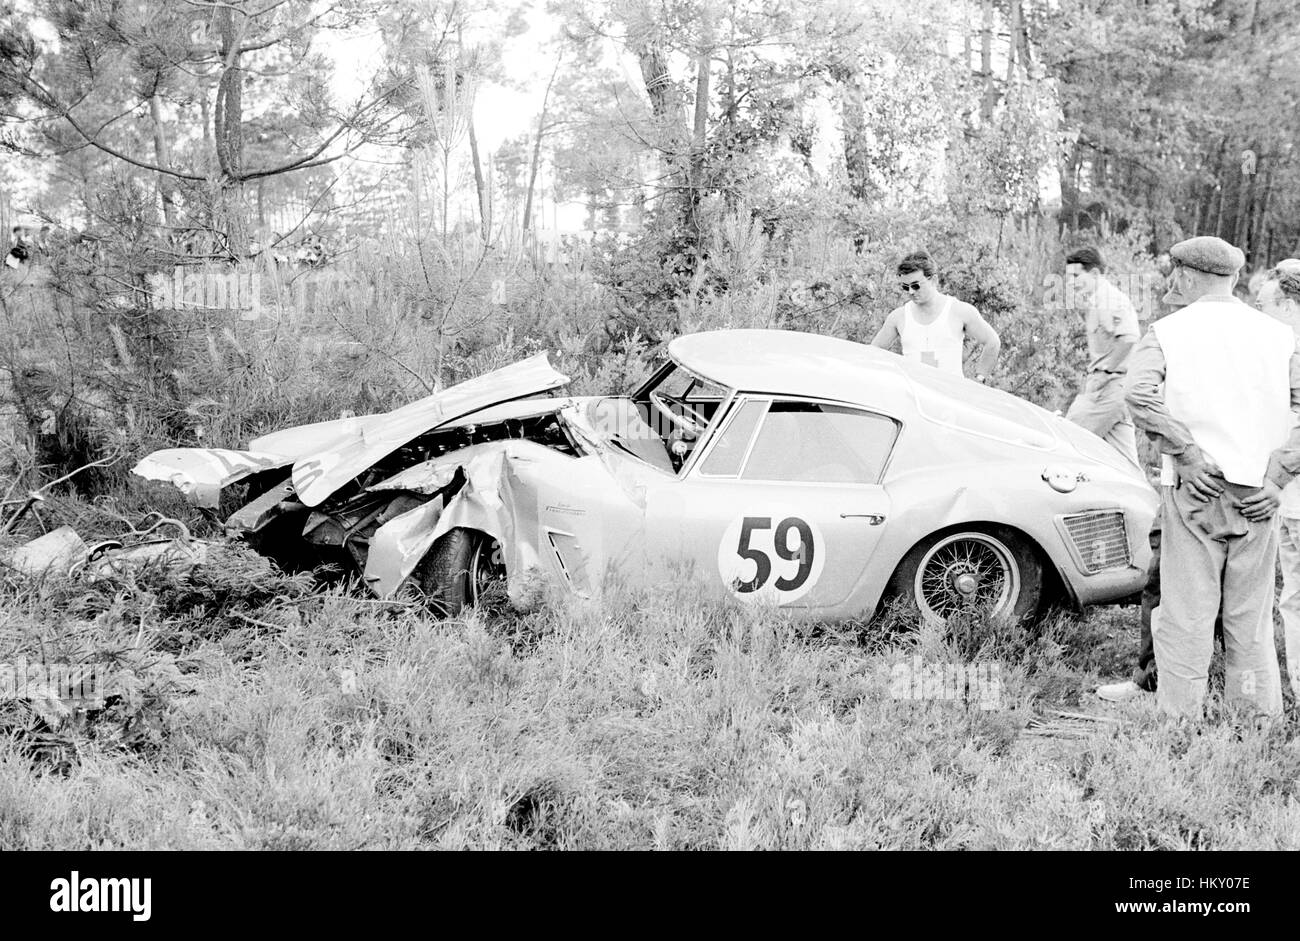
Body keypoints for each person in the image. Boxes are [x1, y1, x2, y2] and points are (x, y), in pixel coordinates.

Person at [1124, 235, 1300, 720]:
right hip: (1258, 495)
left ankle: (1180, 722)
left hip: (1196, 491)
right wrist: (1278, 476)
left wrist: (1186, 455)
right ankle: (1255, 721)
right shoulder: (1279, 334)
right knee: (1250, 617)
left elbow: (1138, 395)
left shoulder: (1168, 330)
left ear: (1184, 275)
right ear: (1234, 277)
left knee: (1188, 615)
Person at [1259, 264, 1300, 701]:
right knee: (1292, 602)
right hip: (1287, 503)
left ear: (1288, 306)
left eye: (1264, 306)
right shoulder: (1280, 353)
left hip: (1290, 497)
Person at [1063, 247, 1141, 467]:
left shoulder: (1110, 299)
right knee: (1125, 462)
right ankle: (1143, 500)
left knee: (1067, 441)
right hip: (1116, 389)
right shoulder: (1097, 301)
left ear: (1095, 274)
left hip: (1109, 387)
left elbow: (1129, 337)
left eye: (1076, 276)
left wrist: (1106, 370)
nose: (1071, 283)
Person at [871, 251, 1001, 381]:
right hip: (914, 396)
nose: (911, 291)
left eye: (916, 286)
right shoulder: (898, 317)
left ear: (933, 280)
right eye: (906, 287)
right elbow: (872, 352)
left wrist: (979, 379)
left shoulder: (959, 311)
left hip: (950, 395)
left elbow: (992, 341)